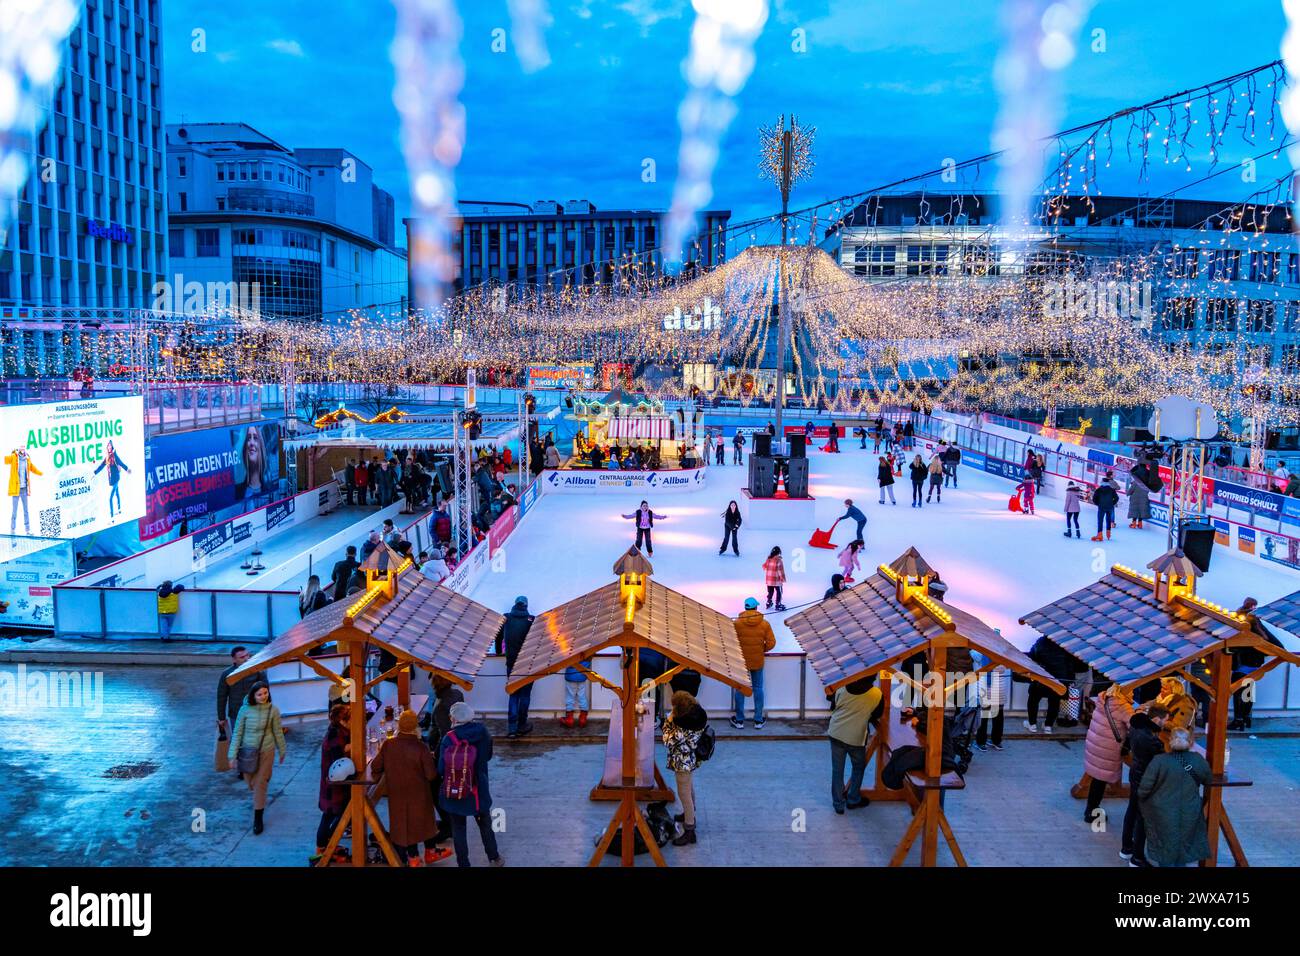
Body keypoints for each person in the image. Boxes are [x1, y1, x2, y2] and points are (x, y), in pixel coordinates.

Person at [371, 709, 452, 866]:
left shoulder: (388, 745)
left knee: (404, 825)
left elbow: (375, 767)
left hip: (397, 794)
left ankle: (413, 857)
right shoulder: (420, 747)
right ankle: (430, 851)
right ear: (416, 728)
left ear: (399, 727)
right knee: (425, 821)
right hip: (419, 794)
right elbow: (430, 775)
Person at [437, 702, 504, 867]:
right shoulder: (483, 732)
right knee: (485, 824)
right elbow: (487, 756)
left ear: (454, 718)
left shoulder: (448, 738)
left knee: (458, 828)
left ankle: (464, 863)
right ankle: (494, 858)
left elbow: (440, 769)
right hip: (477, 790)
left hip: (455, 792)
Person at [1137, 727, 1212, 867]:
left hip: (1162, 811)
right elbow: (1208, 780)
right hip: (1190, 810)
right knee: (1183, 845)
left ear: (1170, 741)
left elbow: (1143, 789)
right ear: (1190, 742)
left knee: (1165, 847)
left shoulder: (1159, 761)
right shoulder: (1198, 760)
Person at [227, 680, 286, 835]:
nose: (263, 696)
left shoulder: (273, 710)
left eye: (265, 693)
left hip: (267, 750)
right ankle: (263, 782)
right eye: (259, 694)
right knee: (250, 781)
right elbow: (237, 733)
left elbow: (278, 731)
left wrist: (282, 750)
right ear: (253, 695)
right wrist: (232, 755)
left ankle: (258, 818)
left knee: (260, 784)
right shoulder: (244, 710)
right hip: (247, 752)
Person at [827, 675, 882, 814]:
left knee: (837, 770)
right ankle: (853, 799)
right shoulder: (876, 694)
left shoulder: (842, 688)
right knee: (858, 767)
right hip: (856, 737)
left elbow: (833, 707)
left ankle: (838, 804)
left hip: (836, 733)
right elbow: (877, 715)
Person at [661, 689, 709, 846]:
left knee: (684, 794)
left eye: (674, 707)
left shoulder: (683, 727)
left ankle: (690, 829)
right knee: (689, 789)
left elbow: (667, 740)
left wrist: (668, 724)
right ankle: (689, 814)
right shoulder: (697, 717)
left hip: (683, 763)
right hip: (691, 760)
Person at [1121, 705, 1168, 867]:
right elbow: (1163, 761)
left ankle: (1126, 848)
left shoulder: (1136, 726)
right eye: (1165, 720)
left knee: (1132, 811)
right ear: (1156, 719)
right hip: (1146, 780)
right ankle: (1138, 858)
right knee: (1143, 819)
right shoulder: (1150, 738)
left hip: (1136, 774)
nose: (1166, 723)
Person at [1082, 683, 1134, 824]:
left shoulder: (1105, 699)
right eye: (1132, 690)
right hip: (1108, 748)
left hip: (1096, 744)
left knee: (1097, 778)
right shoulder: (1123, 706)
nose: (1133, 693)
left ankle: (1091, 809)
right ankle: (1092, 812)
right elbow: (1134, 726)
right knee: (1100, 780)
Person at [313, 703, 352, 865]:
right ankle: (323, 848)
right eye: (351, 720)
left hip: (335, 785)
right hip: (333, 786)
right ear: (343, 721)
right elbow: (339, 761)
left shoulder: (340, 731)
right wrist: (349, 748)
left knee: (338, 814)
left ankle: (328, 844)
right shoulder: (335, 736)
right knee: (333, 815)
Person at [731, 597, 776, 729]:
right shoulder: (764, 624)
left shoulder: (737, 624)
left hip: (741, 662)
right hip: (757, 661)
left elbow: (731, 642)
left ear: (745, 608)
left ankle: (739, 720)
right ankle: (758, 720)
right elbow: (771, 643)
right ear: (756, 608)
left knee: (740, 688)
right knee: (757, 688)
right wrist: (761, 650)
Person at [1024, 636, 1082, 734]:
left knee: (1033, 699)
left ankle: (1032, 725)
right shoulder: (1063, 643)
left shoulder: (1040, 642)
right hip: (1059, 679)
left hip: (1043, 678)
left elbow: (1032, 656)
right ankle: (1048, 726)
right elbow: (1070, 663)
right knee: (1054, 702)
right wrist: (1069, 679)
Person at [497, 596, 535, 737]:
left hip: (511, 663)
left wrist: (500, 651)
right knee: (525, 695)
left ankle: (512, 728)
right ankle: (522, 725)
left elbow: (499, 636)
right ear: (526, 605)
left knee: (513, 694)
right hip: (527, 664)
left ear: (514, 605)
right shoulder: (531, 620)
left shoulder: (506, 618)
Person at [217, 646, 257, 771]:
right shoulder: (227, 674)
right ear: (234, 659)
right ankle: (243, 768)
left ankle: (255, 765)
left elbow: (266, 691)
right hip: (236, 714)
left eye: (247, 656)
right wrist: (221, 717)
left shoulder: (257, 670)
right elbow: (222, 696)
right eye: (242, 657)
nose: (246, 659)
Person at [5, 447, 42, 535]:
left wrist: (41, 473)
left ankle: (27, 530)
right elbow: (6, 460)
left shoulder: (27, 459)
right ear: (18, 448)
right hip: (16, 489)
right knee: (14, 510)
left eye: (24, 447)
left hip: (24, 489)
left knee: (26, 510)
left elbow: (33, 468)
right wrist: (12, 452)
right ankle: (12, 530)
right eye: (21, 447)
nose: (22, 448)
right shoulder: (14, 457)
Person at [91, 439, 132, 518]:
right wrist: (95, 473)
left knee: (110, 498)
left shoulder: (114, 455)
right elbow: (101, 466)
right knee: (117, 493)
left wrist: (127, 469)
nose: (109, 447)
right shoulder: (107, 457)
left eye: (110, 445)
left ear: (112, 446)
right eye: (108, 445)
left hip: (116, 478)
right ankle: (119, 509)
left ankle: (112, 517)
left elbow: (120, 462)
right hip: (111, 479)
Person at [561, 656, 594, 728]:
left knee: (570, 696)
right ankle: (583, 719)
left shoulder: (571, 650)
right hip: (582, 677)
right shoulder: (588, 652)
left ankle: (569, 719)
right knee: (582, 696)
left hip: (570, 677)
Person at [1091, 473, 1120, 541]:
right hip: (1109, 507)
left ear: (1102, 482)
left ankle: (1100, 534)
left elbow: (1094, 499)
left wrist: (1098, 504)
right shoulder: (1112, 490)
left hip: (1101, 507)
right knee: (1108, 520)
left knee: (1100, 520)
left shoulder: (1099, 490)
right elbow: (1117, 498)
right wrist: (1112, 503)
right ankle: (1108, 534)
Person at [762, 546, 786, 611]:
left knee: (770, 592)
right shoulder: (779, 560)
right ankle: (778, 604)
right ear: (779, 553)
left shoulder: (769, 559)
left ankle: (769, 602)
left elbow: (764, 566)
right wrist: (782, 578)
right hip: (776, 581)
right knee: (779, 592)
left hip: (769, 580)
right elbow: (780, 571)